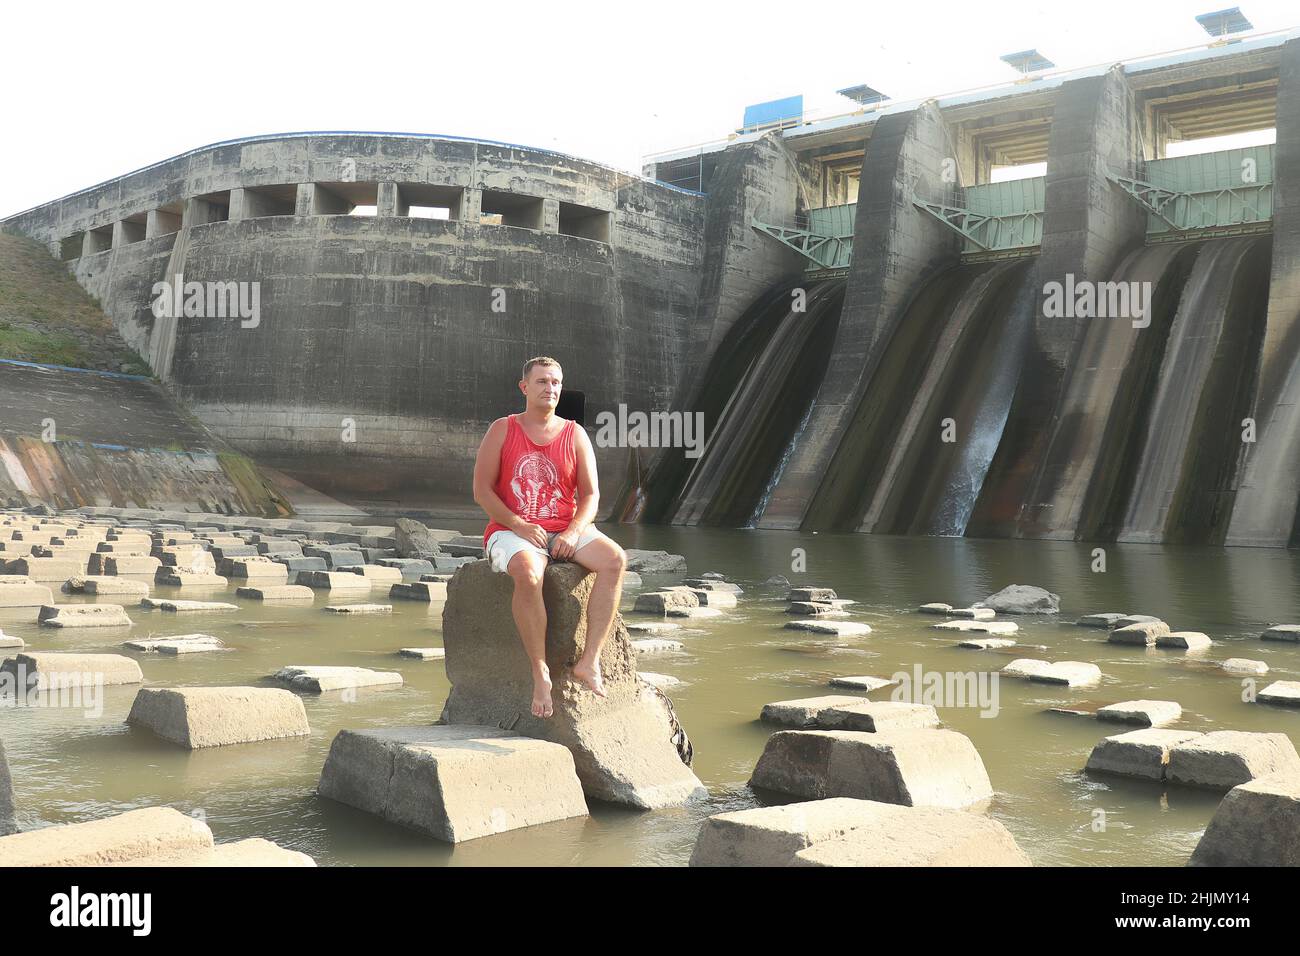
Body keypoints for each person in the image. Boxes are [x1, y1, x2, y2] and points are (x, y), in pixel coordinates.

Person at [472, 355, 627, 718]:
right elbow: (482, 491)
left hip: (565, 526)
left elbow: (590, 495)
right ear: (524, 387)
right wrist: (519, 524)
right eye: (542, 381)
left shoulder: (575, 434)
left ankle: (589, 662)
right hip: (513, 529)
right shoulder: (502, 429)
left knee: (615, 560)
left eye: (556, 382)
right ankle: (540, 669)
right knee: (528, 574)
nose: (550, 388)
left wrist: (574, 531)